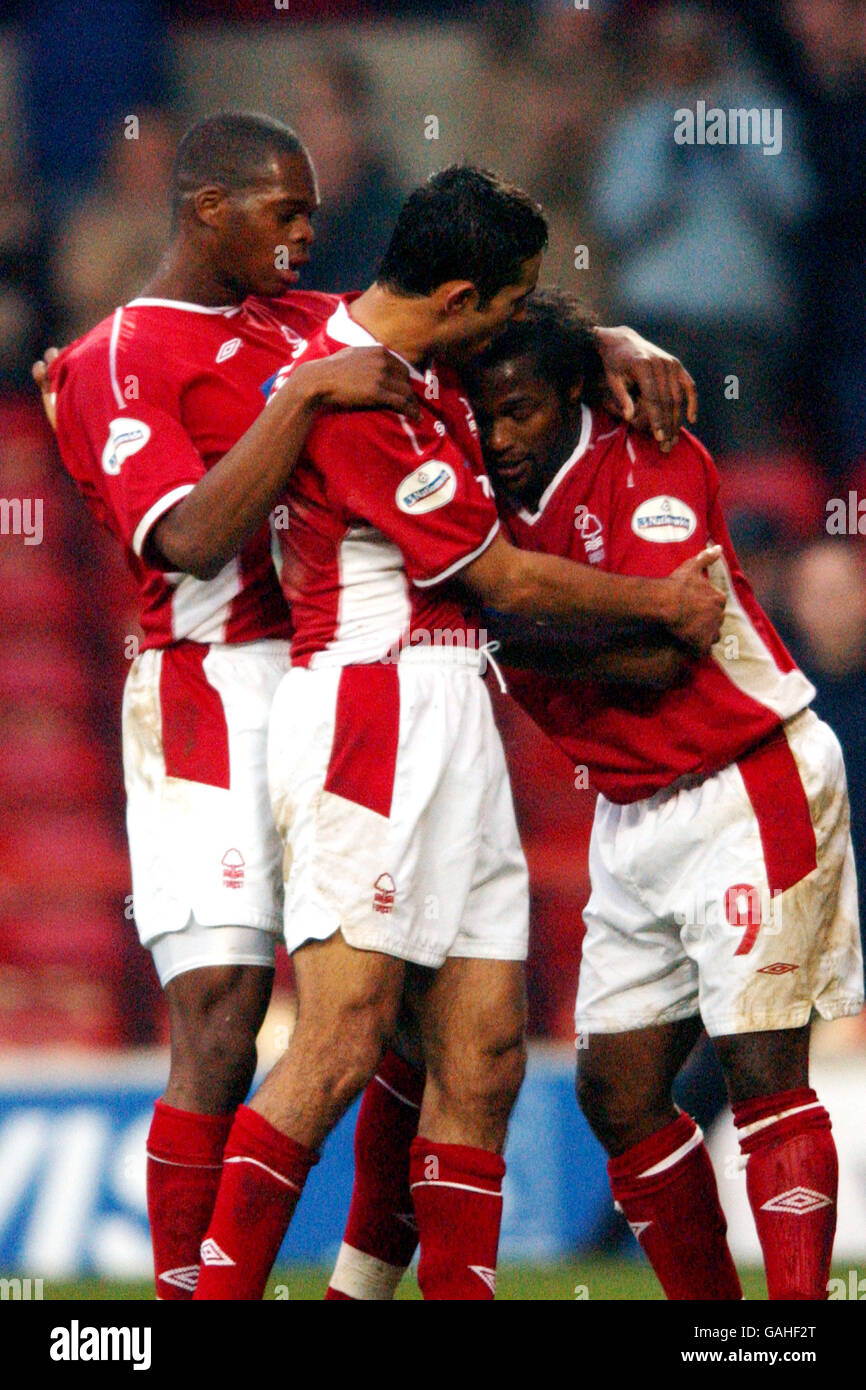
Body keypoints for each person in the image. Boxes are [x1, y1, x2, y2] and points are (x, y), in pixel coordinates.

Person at [191, 168, 726, 1301]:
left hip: (453, 721)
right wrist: (662, 605)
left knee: (481, 1060)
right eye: (502, 300)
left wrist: (607, 339)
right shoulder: (348, 398)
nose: (504, 324)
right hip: (367, 716)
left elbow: (523, 341)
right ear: (452, 296)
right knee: (338, 1046)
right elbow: (498, 576)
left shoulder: (410, 356)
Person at [464, 290, 863, 1300]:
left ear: (573, 396)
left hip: (743, 777)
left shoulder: (649, 460)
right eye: (487, 415)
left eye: (522, 411)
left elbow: (655, 655)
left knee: (760, 1069)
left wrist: (494, 616)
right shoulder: (489, 506)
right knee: (616, 1089)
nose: (502, 436)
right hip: (633, 808)